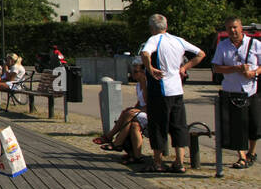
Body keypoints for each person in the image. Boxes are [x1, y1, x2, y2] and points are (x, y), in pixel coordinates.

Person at [140, 14, 206, 173]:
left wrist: (150, 69)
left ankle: (157, 161)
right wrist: (184, 67)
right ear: (166, 26)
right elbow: (201, 54)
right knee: (178, 125)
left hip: (161, 90)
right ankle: (180, 161)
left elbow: (145, 53)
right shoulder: (178, 40)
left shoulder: (154, 39)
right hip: (177, 90)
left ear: (152, 28)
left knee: (158, 125)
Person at [211, 16, 261, 169]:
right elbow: (216, 67)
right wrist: (235, 69)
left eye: (235, 27)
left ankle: (251, 152)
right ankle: (242, 156)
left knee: (254, 126)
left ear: (241, 28)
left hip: (251, 91)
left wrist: (254, 73)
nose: (232, 31)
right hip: (232, 91)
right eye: (229, 28)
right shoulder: (223, 46)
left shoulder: (254, 44)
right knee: (238, 126)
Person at [94, 62, 147, 164]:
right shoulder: (138, 85)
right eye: (133, 71)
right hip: (142, 113)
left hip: (150, 113)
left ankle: (115, 141)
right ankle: (136, 156)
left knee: (129, 114)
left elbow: (149, 103)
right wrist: (135, 108)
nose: (133, 74)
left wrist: (138, 110)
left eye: (136, 72)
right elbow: (140, 102)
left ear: (143, 72)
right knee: (132, 122)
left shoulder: (147, 85)